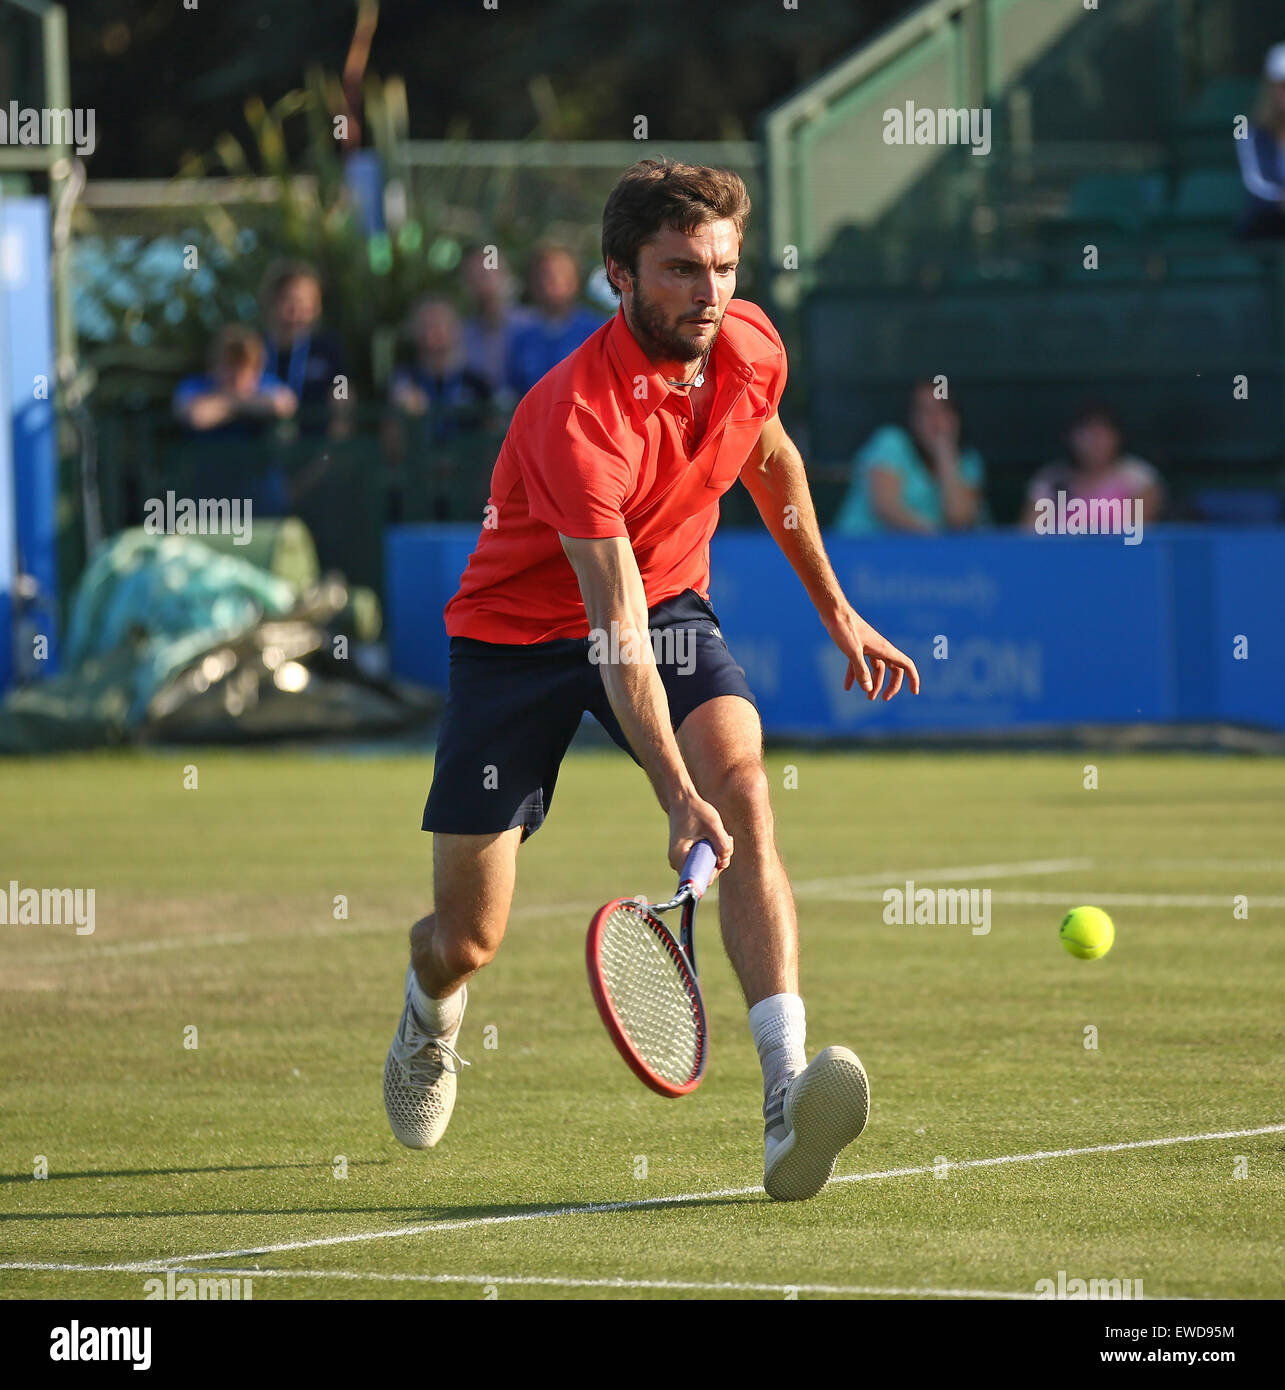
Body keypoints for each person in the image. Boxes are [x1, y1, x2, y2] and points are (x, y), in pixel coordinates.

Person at [383, 158, 921, 1204]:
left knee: (749, 798)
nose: (708, 291)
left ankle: (783, 1097)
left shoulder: (749, 344)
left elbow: (770, 463)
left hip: (665, 600)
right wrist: (673, 798)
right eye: (679, 270)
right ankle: (425, 1015)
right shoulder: (573, 416)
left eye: (721, 266)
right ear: (618, 276)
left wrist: (836, 606)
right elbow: (610, 624)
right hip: (521, 641)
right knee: (468, 936)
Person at [172, 324, 296, 516]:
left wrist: (227, 404)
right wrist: (241, 404)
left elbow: (284, 404)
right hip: (208, 506)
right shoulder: (193, 386)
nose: (235, 374)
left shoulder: (267, 384)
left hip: (262, 504)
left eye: (243, 366)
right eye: (229, 364)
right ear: (214, 365)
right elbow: (196, 416)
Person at [833, 381, 986, 535]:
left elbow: (960, 520)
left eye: (942, 410)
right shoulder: (891, 442)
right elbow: (886, 506)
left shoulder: (969, 460)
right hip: (861, 550)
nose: (934, 419)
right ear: (912, 417)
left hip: (928, 554)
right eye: (925, 411)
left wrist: (945, 452)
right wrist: (934, 537)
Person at [1021, 403, 1164, 526]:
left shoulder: (1139, 477)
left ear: (1117, 437)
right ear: (1070, 437)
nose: (1094, 442)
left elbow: (1138, 532)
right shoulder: (1050, 480)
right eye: (1087, 433)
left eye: (1101, 434)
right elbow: (1030, 536)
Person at [258, 260, 354, 436]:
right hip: (259, 459)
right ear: (272, 302)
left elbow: (342, 403)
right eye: (290, 300)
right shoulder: (254, 349)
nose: (298, 310)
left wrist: (329, 457)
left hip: (317, 455)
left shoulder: (329, 349)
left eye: (307, 302)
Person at [505, 244, 606, 398]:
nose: (552, 281)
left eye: (560, 273)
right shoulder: (521, 340)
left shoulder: (597, 333)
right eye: (544, 274)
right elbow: (511, 394)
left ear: (575, 279)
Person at [458, 245, 534, 409]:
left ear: (507, 277)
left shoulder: (531, 325)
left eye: (489, 275)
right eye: (474, 277)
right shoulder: (461, 335)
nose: (484, 284)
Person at [1235, 43, 1285, 240]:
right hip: (1268, 225)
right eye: (1282, 86)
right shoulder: (1247, 129)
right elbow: (1255, 181)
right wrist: (1281, 198)